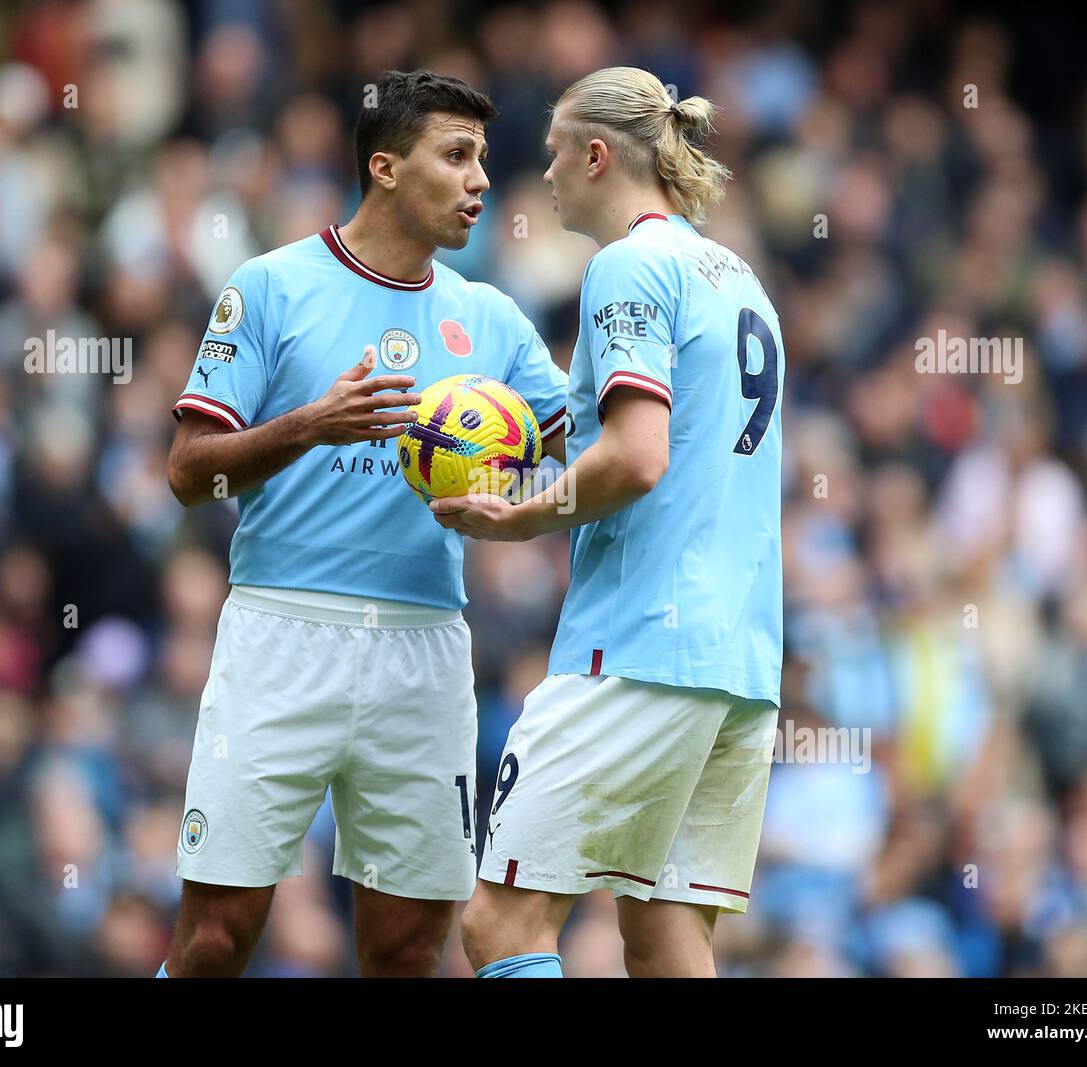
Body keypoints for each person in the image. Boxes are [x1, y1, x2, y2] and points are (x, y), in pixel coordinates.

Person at [158, 69, 567, 978]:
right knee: (217, 938)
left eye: (484, 159)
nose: (480, 181)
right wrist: (313, 423)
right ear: (384, 167)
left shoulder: (490, 318)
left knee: (408, 948)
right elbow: (188, 472)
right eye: (455, 156)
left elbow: (580, 442)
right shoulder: (268, 287)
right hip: (279, 632)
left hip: (424, 645)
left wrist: (526, 500)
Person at [431, 67, 784, 978]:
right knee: (667, 942)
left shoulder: (626, 264)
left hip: (637, 649)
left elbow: (637, 454)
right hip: (740, 661)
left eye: (553, 155)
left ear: (597, 154)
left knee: (500, 924)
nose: (543, 176)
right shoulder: (738, 274)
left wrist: (515, 519)